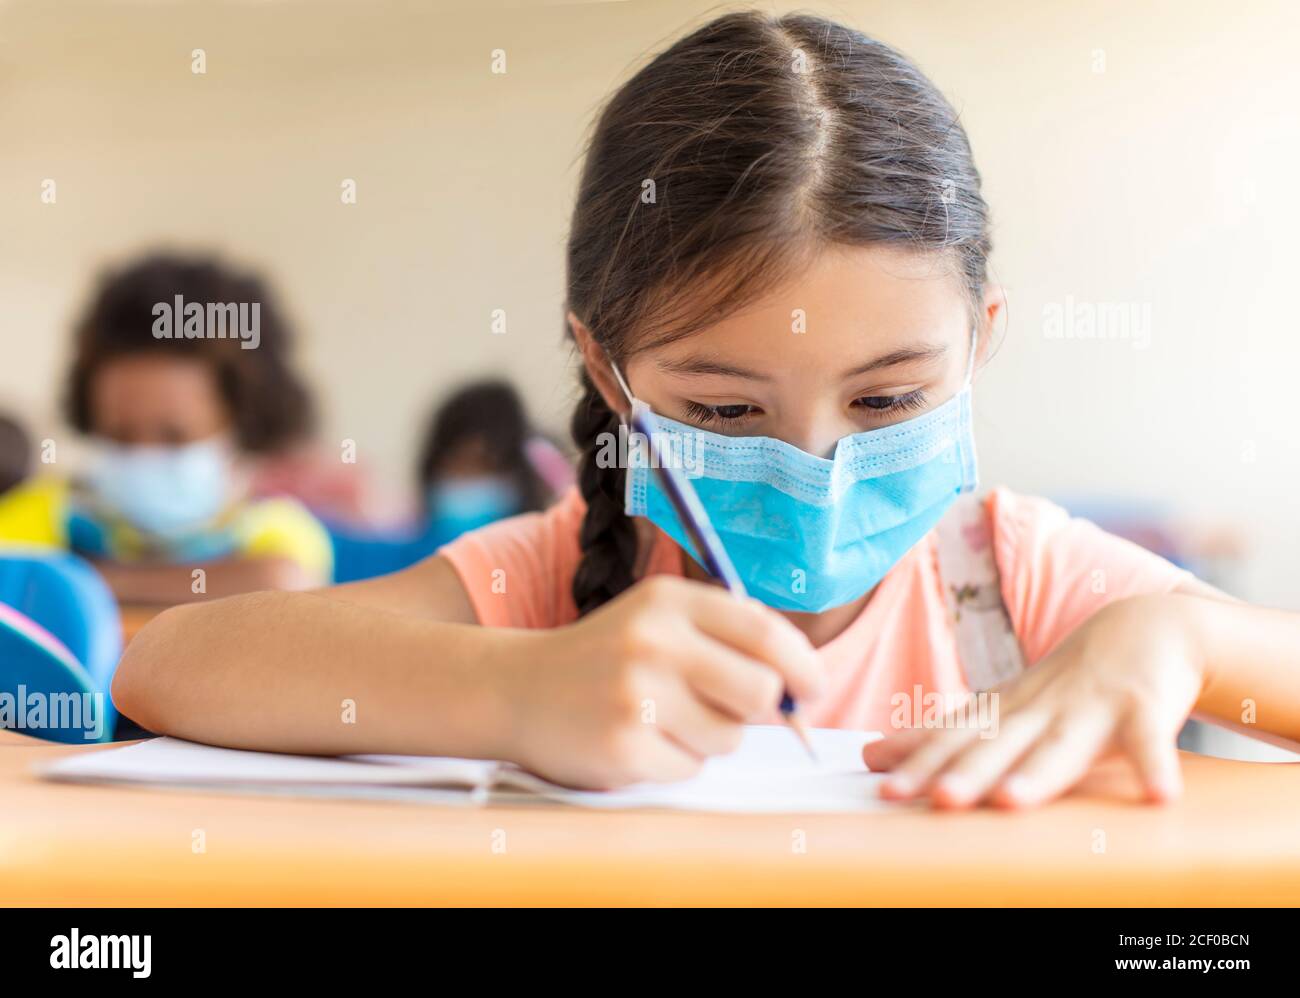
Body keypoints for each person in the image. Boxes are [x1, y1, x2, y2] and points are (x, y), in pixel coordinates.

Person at [113, 12, 1300, 807]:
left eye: (889, 395)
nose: (818, 458)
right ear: (603, 368)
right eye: (727, 412)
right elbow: (171, 668)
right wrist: (519, 692)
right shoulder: (553, 584)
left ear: (980, 341)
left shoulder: (1011, 577)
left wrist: (1185, 636)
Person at [0, 252, 332, 602]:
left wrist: (78, 583)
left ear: (239, 426)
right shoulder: (46, 515)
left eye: (174, 437)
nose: (144, 455)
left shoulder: (275, 528)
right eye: (120, 434)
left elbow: (282, 582)